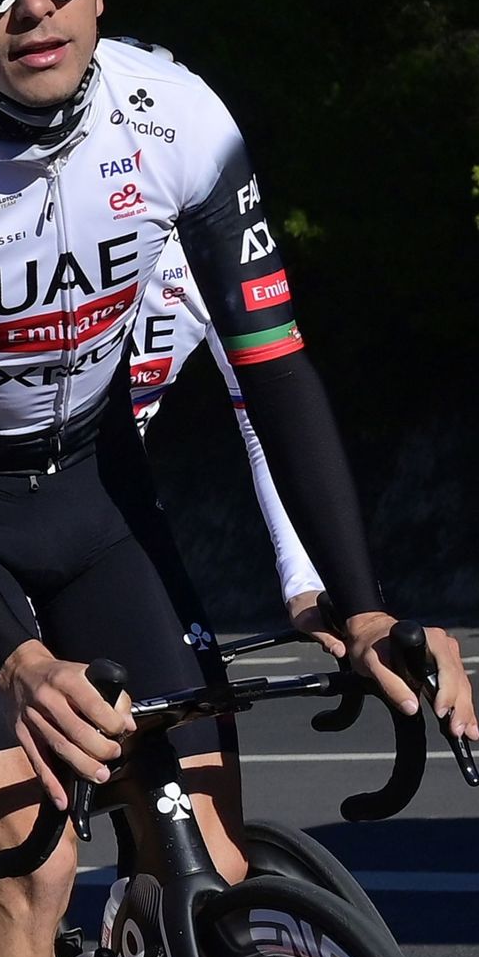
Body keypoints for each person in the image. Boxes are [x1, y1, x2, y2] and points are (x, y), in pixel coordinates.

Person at [0, 0, 479, 957]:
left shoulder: (175, 114)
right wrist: (23, 661)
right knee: (27, 862)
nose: (32, 2)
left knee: (208, 838)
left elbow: (268, 369)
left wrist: (361, 603)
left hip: (100, 498)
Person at [127, 231, 333, 651]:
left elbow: (262, 421)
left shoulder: (212, 225)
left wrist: (304, 581)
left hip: (109, 501)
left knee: (193, 696)